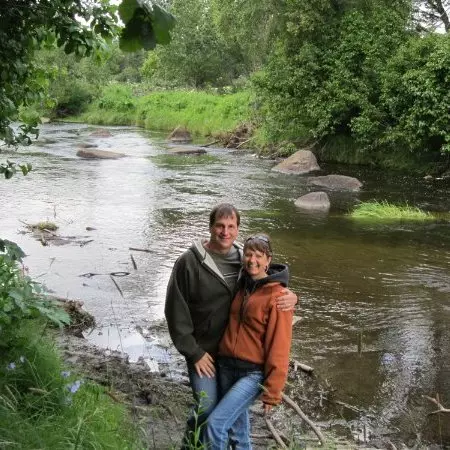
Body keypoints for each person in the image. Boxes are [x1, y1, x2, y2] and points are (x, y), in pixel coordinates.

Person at [164, 204, 297, 447]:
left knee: (230, 420)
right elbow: (175, 313)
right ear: (211, 227)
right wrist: (193, 352)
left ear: (237, 230)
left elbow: (267, 285)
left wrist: (291, 296)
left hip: (235, 359)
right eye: (220, 226)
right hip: (203, 353)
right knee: (206, 409)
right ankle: (190, 446)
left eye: (231, 227)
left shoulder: (242, 261)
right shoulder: (188, 263)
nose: (225, 232)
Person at [204, 234, 293, 450]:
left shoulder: (279, 297)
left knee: (215, 425)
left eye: (259, 256)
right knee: (237, 432)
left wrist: (273, 391)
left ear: (268, 260)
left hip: (252, 373)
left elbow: (280, 346)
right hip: (225, 367)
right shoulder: (240, 285)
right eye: (248, 254)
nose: (252, 260)